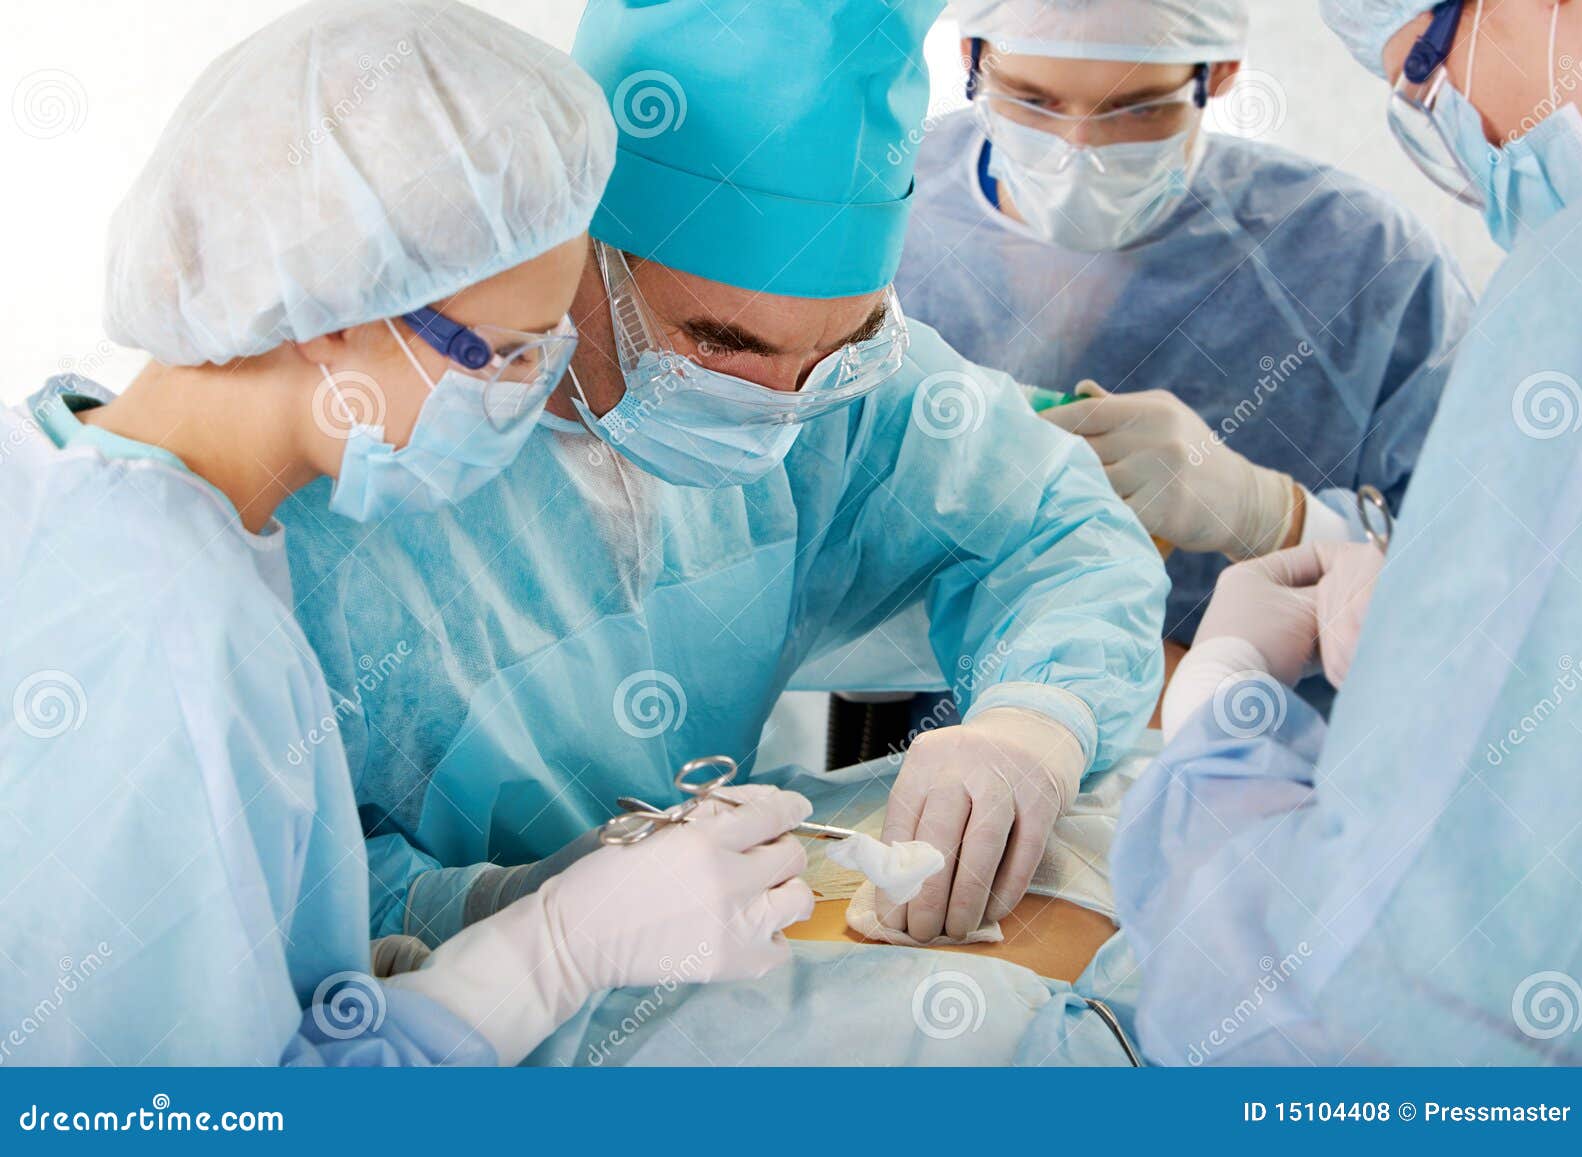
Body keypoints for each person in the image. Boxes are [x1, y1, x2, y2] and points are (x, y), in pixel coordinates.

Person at [0, 0, 815, 1066]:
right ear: (339, 307)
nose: (530, 400)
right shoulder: (171, 640)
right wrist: (547, 953)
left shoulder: (55, 478)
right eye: (505, 355)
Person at [283, 0, 1169, 949]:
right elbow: (269, 880)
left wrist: (1035, 724)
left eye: (841, 346)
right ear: (579, 242)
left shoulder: (838, 384)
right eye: (717, 342)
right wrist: (524, 919)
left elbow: (1058, 529)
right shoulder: (352, 470)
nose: (781, 409)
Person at [1111, 0, 1582, 1064]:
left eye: (1422, 71)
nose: (1448, 124)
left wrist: (1216, 719)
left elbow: (1339, 1027)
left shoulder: (1571, 305)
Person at [896, 0, 1474, 648]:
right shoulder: (877, 221)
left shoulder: (1363, 259)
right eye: (1033, 102)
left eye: (1138, 108)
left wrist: (1273, 517)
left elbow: (1488, 569)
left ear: (1220, 72)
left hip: (1274, 739)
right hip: (928, 736)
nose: (1077, 153)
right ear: (969, 55)